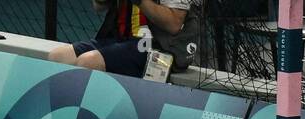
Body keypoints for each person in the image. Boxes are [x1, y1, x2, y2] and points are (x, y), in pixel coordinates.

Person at [49, 0, 197, 78]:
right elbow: (98, 7)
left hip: (156, 48)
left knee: (87, 62)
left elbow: (174, 23)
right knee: (57, 57)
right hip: (120, 38)